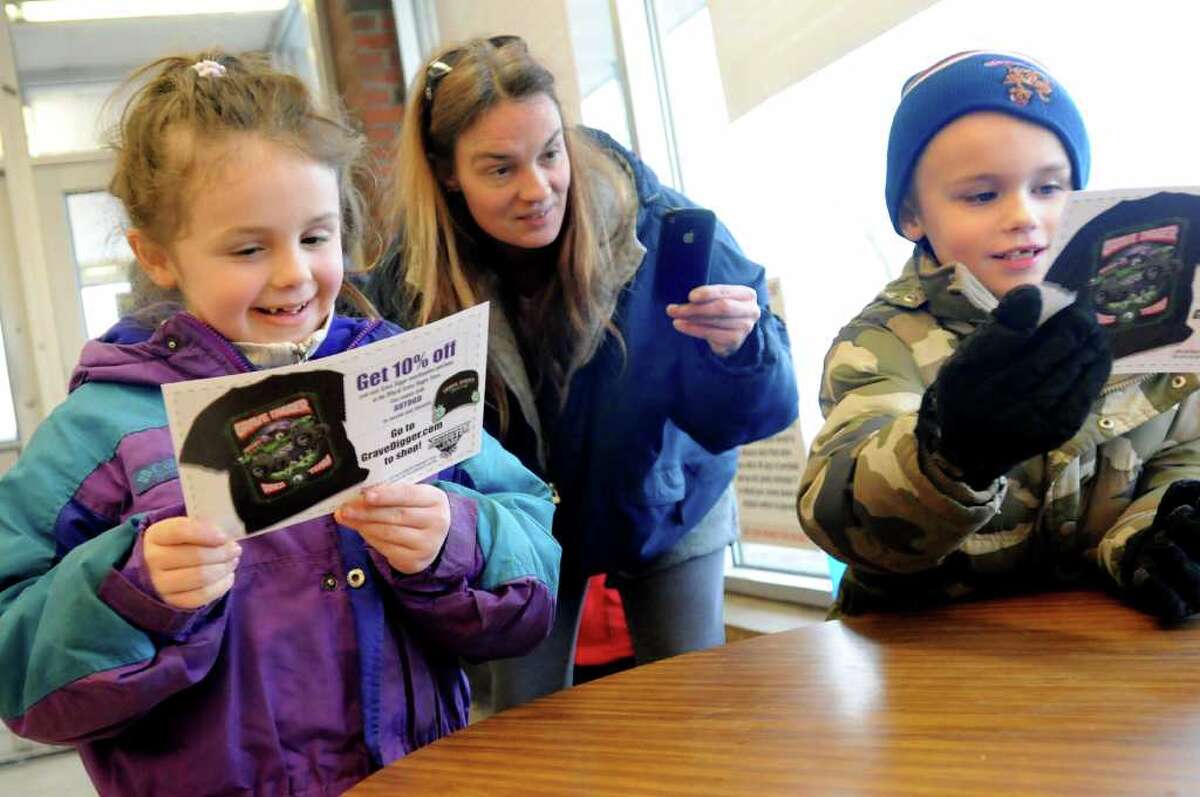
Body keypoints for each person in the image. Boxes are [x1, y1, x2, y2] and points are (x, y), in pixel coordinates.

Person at [0, 51, 560, 797]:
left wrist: (455, 537)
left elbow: (531, 558)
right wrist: (131, 591)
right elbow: (18, 669)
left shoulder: (399, 371)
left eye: (316, 236)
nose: (294, 273)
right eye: (249, 247)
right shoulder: (102, 429)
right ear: (157, 255)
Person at [365, 37, 797, 710]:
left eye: (549, 153)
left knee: (696, 713)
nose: (538, 189)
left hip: (668, 498)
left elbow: (755, 413)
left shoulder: (654, 221)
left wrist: (739, 352)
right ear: (449, 174)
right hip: (524, 523)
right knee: (521, 721)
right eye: (500, 169)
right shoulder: (410, 285)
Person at [797, 50, 1200, 623]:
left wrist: (1149, 537)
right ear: (913, 214)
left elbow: (1181, 455)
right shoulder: (881, 341)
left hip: (1086, 653)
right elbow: (841, 516)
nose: (1024, 216)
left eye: (1049, 188)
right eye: (982, 195)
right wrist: (950, 449)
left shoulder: (1141, 324)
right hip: (917, 655)